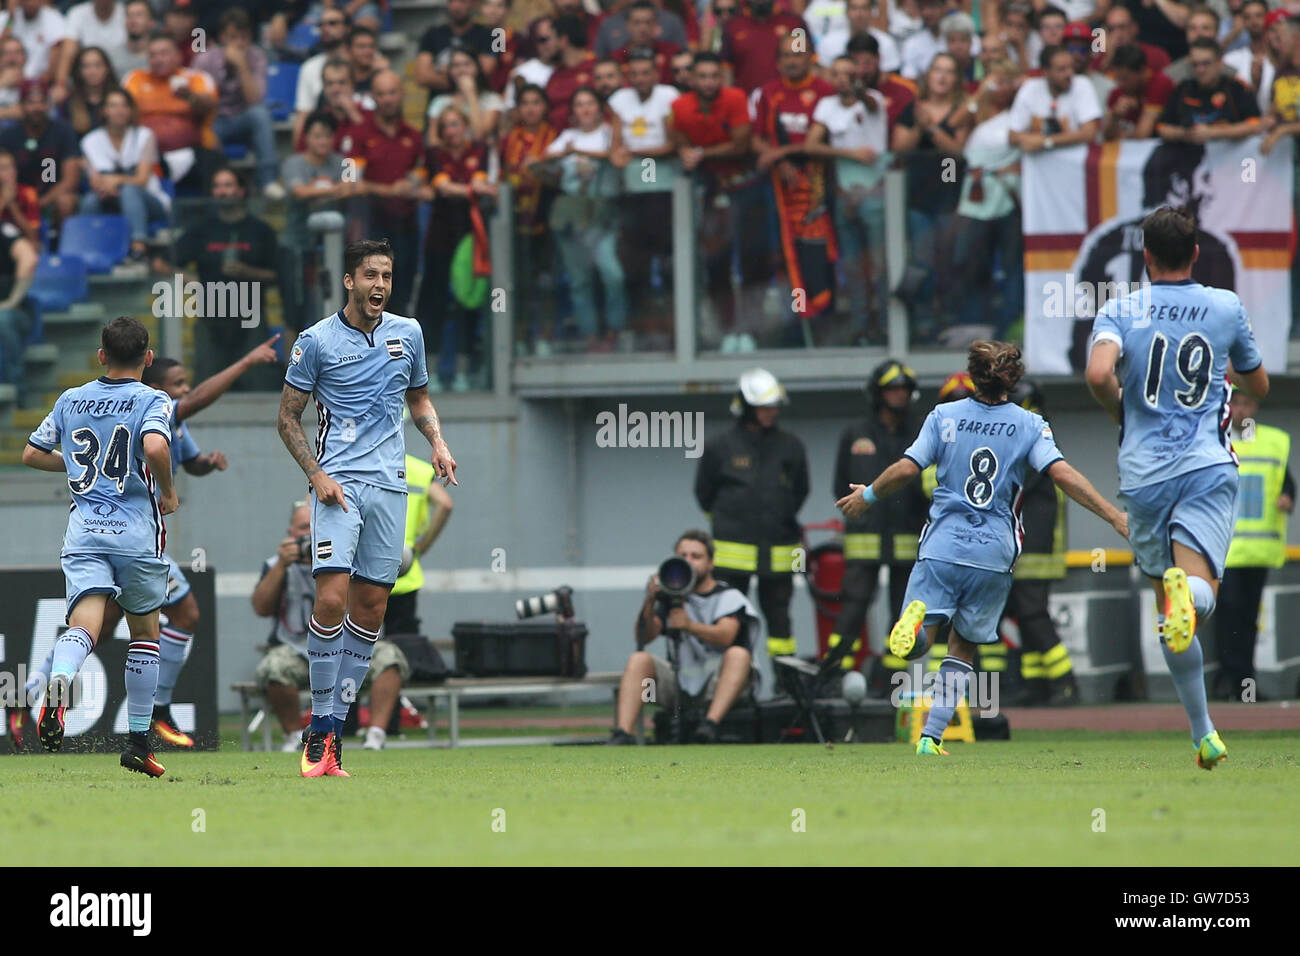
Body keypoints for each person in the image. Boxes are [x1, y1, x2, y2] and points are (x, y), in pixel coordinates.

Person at [838, 340, 1128, 756]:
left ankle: (917, 625)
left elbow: (906, 468)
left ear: (972, 376)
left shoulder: (944, 416)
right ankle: (931, 738)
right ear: (1013, 379)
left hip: (942, 543)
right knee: (963, 648)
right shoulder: (1031, 424)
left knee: (922, 639)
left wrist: (866, 496)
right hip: (993, 551)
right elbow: (1063, 475)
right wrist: (1114, 517)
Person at [1085, 204, 1269, 770]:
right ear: (1195, 253)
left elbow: (1097, 375)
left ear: (1144, 257)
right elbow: (1258, 383)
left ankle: (1203, 733)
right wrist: (1231, 373)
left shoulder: (1121, 309)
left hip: (1143, 475)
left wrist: (1123, 409)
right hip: (1206, 467)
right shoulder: (1224, 306)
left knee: (1171, 603)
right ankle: (1193, 600)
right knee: (1194, 593)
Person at [277, 237, 459, 777]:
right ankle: (320, 727)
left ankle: (332, 728)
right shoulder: (315, 341)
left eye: (387, 275)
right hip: (338, 486)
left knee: (373, 608)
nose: (380, 285)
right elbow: (287, 417)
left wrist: (437, 442)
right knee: (331, 599)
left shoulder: (409, 333)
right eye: (370, 275)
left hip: (390, 486)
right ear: (350, 281)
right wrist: (316, 475)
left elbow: (419, 398)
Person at [20, 316, 180, 777]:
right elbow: (154, 448)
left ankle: (61, 680)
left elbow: (31, 454)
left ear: (101, 356)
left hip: (85, 530)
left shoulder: (72, 399)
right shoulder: (153, 398)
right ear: (149, 358)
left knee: (83, 623)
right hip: (134, 534)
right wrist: (168, 491)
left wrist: (75, 468)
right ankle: (137, 743)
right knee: (145, 635)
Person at [252, 501, 414, 753]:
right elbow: (260, 607)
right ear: (290, 533)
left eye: (314, 527)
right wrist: (281, 567)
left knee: (390, 657)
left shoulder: (353, 553)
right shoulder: (278, 562)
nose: (310, 535)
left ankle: (376, 734)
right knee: (274, 666)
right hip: (298, 649)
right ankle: (296, 736)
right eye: (303, 528)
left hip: (352, 647)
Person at [695, 368, 809, 663]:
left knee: (780, 623)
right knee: (733, 620)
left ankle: (786, 684)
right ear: (746, 407)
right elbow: (704, 494)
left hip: (780, 552)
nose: (771, 412)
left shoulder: (791, 446)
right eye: (763, 407)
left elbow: (800, 491)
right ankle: (738, 686)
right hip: (732, 556)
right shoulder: (720, 446)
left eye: (774, 406)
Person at [826, 360, 928, 684]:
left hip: (908, 537)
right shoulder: (855, 433)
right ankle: (834, 673)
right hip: (864, 539)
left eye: (904, 389)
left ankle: (889, 677)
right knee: (853, 607)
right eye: (892, 389)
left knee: (901, 611)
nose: (899, 395)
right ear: (878, 393)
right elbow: (840, 483)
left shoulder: (921, 431)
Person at [609, 529, 761, 744]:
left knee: (738, 655)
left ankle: (709, 726)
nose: (688, 562)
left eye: (696, 556)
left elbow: (726, 636)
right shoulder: (670, 597)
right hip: (680, 686)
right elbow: (644, 637)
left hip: (719, 688)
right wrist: (650, 600)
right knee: (639, 659)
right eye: (683, 556)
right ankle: (624, 734)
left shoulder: (729, 597)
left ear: (710, 564)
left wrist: (689, 626)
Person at [152, 168, 281, 389]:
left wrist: (246, 272)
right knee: (208, 386)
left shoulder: (261, 231)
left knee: (258, 386)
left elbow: (277, 275)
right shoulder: (202, 229)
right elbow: (160, 263)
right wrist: (187, 277)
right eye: (217, 186)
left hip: (251, 319)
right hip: (211, 319)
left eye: (228, 185)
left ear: (241, 191)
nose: (222, 191)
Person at [671, 51, 758, 350]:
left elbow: (741, 145)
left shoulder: (735, 98)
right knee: (715, 260)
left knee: (750, 258)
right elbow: (679, 141)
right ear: (692, 79)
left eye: (713, 76)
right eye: (702, 76)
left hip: (743, 186)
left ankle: (750, 330)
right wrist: (688, 153)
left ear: (721, 78)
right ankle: (725, 330)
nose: (708, 82)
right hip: (707, 190)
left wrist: (702, 154)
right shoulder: (680, 106)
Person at [752, 34, 837, 332]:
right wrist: (778, 160)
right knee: (786, 258)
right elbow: (758, 139)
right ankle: (794, 324)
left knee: (819, 252)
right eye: (786, 55)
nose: (792, 61)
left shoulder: (826, 92)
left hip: (820, 189)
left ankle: (825, 319)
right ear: (777, 62)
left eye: (798, 54)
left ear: (811, 57)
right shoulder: (768, 93)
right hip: (779, 192)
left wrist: (785, 153)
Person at [1001, 379, 1078, 706]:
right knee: (1024, 611)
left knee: (1032, 612)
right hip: (1030, 540)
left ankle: (1065, 681)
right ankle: (1035, 684)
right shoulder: (1037, 435)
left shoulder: (1031, 440)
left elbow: (1011, 483)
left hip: (1036, 544)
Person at [1214, 389, 1293, 701]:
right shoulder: (1215, 440)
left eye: (1246, 402)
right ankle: (1230, 680)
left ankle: (1244, 684)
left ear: (1256, 406)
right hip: (1226, 552)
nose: (1240, 409)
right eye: (1235, 402)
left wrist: (1287, 497)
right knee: (1227, 615)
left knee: (1247, 619)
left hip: (1256, 553)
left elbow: (1286, 481)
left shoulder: (1272, 442)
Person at [534, 87, 626, 353]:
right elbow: (544, 161)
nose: (585, 109)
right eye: (579, 104)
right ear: (573, 111)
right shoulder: (568, 137)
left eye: (590, 104)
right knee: (579, 279)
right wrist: (567, 155)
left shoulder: (610, 134)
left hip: (603, 213)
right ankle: (590, 336)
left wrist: (579, 154)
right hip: (572, 214)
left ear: (599, 108)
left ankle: (615, 331)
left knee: (612, 274)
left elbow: (618, 156)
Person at [806, 55, 891, 344]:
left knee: (880, 264)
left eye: (848, 73)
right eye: (837, 73)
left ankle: (887, 325)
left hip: (875, 194)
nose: (842, 78)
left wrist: (859, 89)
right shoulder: (826, 106)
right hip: (844, 194)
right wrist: (849, 154)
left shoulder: (874, 100)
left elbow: (867, 102)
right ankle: (860, 326)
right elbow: (810, 144)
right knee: (853, 266)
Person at [417, 106, 497, 389]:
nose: (451, 131)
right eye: (446, 126)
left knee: (468, 302)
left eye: (455, 124)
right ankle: (433, 372)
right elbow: (444, 187)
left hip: (470, 238)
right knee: (435, 304)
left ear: (465, 125)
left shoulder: (480, 150)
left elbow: (480, 180)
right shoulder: (434, 155)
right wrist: (474, 190)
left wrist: (473, 188)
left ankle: (464, 370)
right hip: (440, 239)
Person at [948, 58, 1022, 344]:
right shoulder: (980, 114)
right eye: (996, 81)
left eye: (1006, 82)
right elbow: (953, 122)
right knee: (970, 261)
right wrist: (982, 92)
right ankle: (973, 325)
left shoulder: (1020, 113)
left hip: (1006, 198)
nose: (1000, 87)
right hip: (976, 197)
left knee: (1011, 265)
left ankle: (1010, 326)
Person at [347, 70, 425, 315]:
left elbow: (422, 173)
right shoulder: (358, 134)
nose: (388, 99)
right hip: (370, 227)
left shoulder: (413, 136)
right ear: (373, 97)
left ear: (401, 94)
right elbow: (349, 183)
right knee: (367, 296)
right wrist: (388, 190)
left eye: (392, 92)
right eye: (382, 94)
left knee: (402, 294)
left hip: (406, 227)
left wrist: (412, 185)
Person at [281, 110, 360, 330]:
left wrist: (320, 191)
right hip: (298, 245)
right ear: (306, 137)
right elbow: (299, 192)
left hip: (335, 248)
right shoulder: (294, 163)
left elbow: (353, 189)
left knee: (336, 308)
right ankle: (292, 363)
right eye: (317, 135)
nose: (322, 141)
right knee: (294, 313)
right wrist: (335, 190)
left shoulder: (344, 163)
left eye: (327, 135)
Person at [122, 32, 221, 193]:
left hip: (194, 151)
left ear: (177, 55)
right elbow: (121, 110)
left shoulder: (196, 78)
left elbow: (210, 106)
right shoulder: (135, 78)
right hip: (148, 155)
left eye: (164, 53)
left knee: (215, 162)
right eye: (153, 55)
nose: (158, 59)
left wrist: (190, 96)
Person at [79, 88, 170, 262]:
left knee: (129, 190)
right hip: (110, 198)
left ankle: (138, 246)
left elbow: (142, 180)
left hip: (149, 200)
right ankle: (87, 249)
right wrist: (106, 187)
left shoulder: (145, 135)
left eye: (124, 106)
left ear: (130, 110)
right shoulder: (90, 141)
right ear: (104, 111)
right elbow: (95, 180)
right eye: (113, 106)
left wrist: (117, 180)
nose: (119, 110)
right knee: (90, 200)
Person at [500, 84, 557, 355]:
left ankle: (545, 338)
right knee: (519, 283)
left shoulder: (555, 138)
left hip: (547, 220)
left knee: (547, 283)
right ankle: (520, 339)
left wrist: (541, 170)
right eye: (526, 103)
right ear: (518, 109)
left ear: (544, 107)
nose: (531, 108)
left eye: (536, 102)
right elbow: (500, 176)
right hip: (514, 223)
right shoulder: (509, 140)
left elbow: (560, 177)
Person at [384, 453, 455, 639]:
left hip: (364, 569)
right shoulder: (418, 470)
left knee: (359, 640)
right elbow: (445, 504)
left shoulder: (360, 461)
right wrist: (422, 546)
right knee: (403, 641)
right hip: (405, 570)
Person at [0, 81, 83, 235]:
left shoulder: (62, 131)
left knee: (66, 201)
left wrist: (41, 202)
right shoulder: (8, 135)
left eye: (42, 102)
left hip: (51, 197)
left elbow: (71, 179)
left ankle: (58, 249)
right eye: (31, 102)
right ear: (21, 105)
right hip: (18, 197)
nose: (36, 108)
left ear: (48, 105)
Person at [1156, 37, 1260, 143]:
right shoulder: (1183, 88)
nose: (1200, 69)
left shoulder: (1236, 87)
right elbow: (1162, 127)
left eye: (1206, 63)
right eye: (1195, 64)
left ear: (1220, 63)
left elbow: (1255, 124)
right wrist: (1185, 134)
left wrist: (1213, 132)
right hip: (1188, 153)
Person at [1007, 43, 1102, 153]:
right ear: (1045, 72)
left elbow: (1089, 133)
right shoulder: (1030, 88)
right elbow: (1012, 136)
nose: (1069, 73)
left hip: (1074, 164)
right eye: (1062, 69)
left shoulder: (1082, 84)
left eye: (1071, 67)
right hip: (1038, 167)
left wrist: (1046, 142)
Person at [291, 6, 352, 146]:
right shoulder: (309, 67)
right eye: (321, 25)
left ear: (347, 28)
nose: (325, 28)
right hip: (324, 142)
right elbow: (303, 115)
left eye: (333, 23)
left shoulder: (361, 61)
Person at [719, 0, 808, 94]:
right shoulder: (732, 26)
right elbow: (726, 70)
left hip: (788, 100)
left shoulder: (794, 23)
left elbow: (809, 63)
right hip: (745, 101)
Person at [425, 47, 505, 146]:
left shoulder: (492, 100)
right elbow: (432, 141)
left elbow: (478, 137)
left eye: (467, 64)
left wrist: (470, 94)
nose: (461, 70)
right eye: (456, 65)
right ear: (450, 71)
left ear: (477, 68)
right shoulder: (439, 101)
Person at [1103, 43, 1175, 140]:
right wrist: (1115, 116)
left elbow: (1142, 135)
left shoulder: (1160, 83)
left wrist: (1121, 136)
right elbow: (1107, 136)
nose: (1121, 84)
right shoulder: (1117, 93)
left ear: (1142, 71)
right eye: (1117, 78)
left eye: (1125, 78)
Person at [9, 0, 75, 103]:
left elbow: (58, 53)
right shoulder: (9, 18)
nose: (32, 2)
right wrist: (11, 17)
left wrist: (35, 86)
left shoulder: (53, 18)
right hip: (9, 82)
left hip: (41, 85)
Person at [0, 215, 37, 397]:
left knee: (3, 320)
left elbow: (29, 258)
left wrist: (11, 302)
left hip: (14, 313)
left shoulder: (4, 231)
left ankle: (16, 392)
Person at [545, 14, 598, 130]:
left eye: (550, 39)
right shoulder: (555, 74)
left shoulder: (596, 69)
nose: (546, 45)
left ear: (563, 40)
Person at [1164, 6, 1238, 86]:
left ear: (1217, 33)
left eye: (1205, 28)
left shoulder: (1232, 76)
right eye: (1192, 28)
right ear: (1186, 33)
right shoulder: (1171, 76)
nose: (1199, 33)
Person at [62, 45, 120, 137]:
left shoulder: (119, 100)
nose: (92, 72)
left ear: (107, 69)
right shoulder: (69, 104)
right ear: (79, 71)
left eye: (98, 65)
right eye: (86, 66)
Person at [106, 0, 154, 78]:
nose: (133, 20)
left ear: (151, 22)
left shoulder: (159, 56)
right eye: (129, 15)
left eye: (139, 15)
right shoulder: (111, 56)